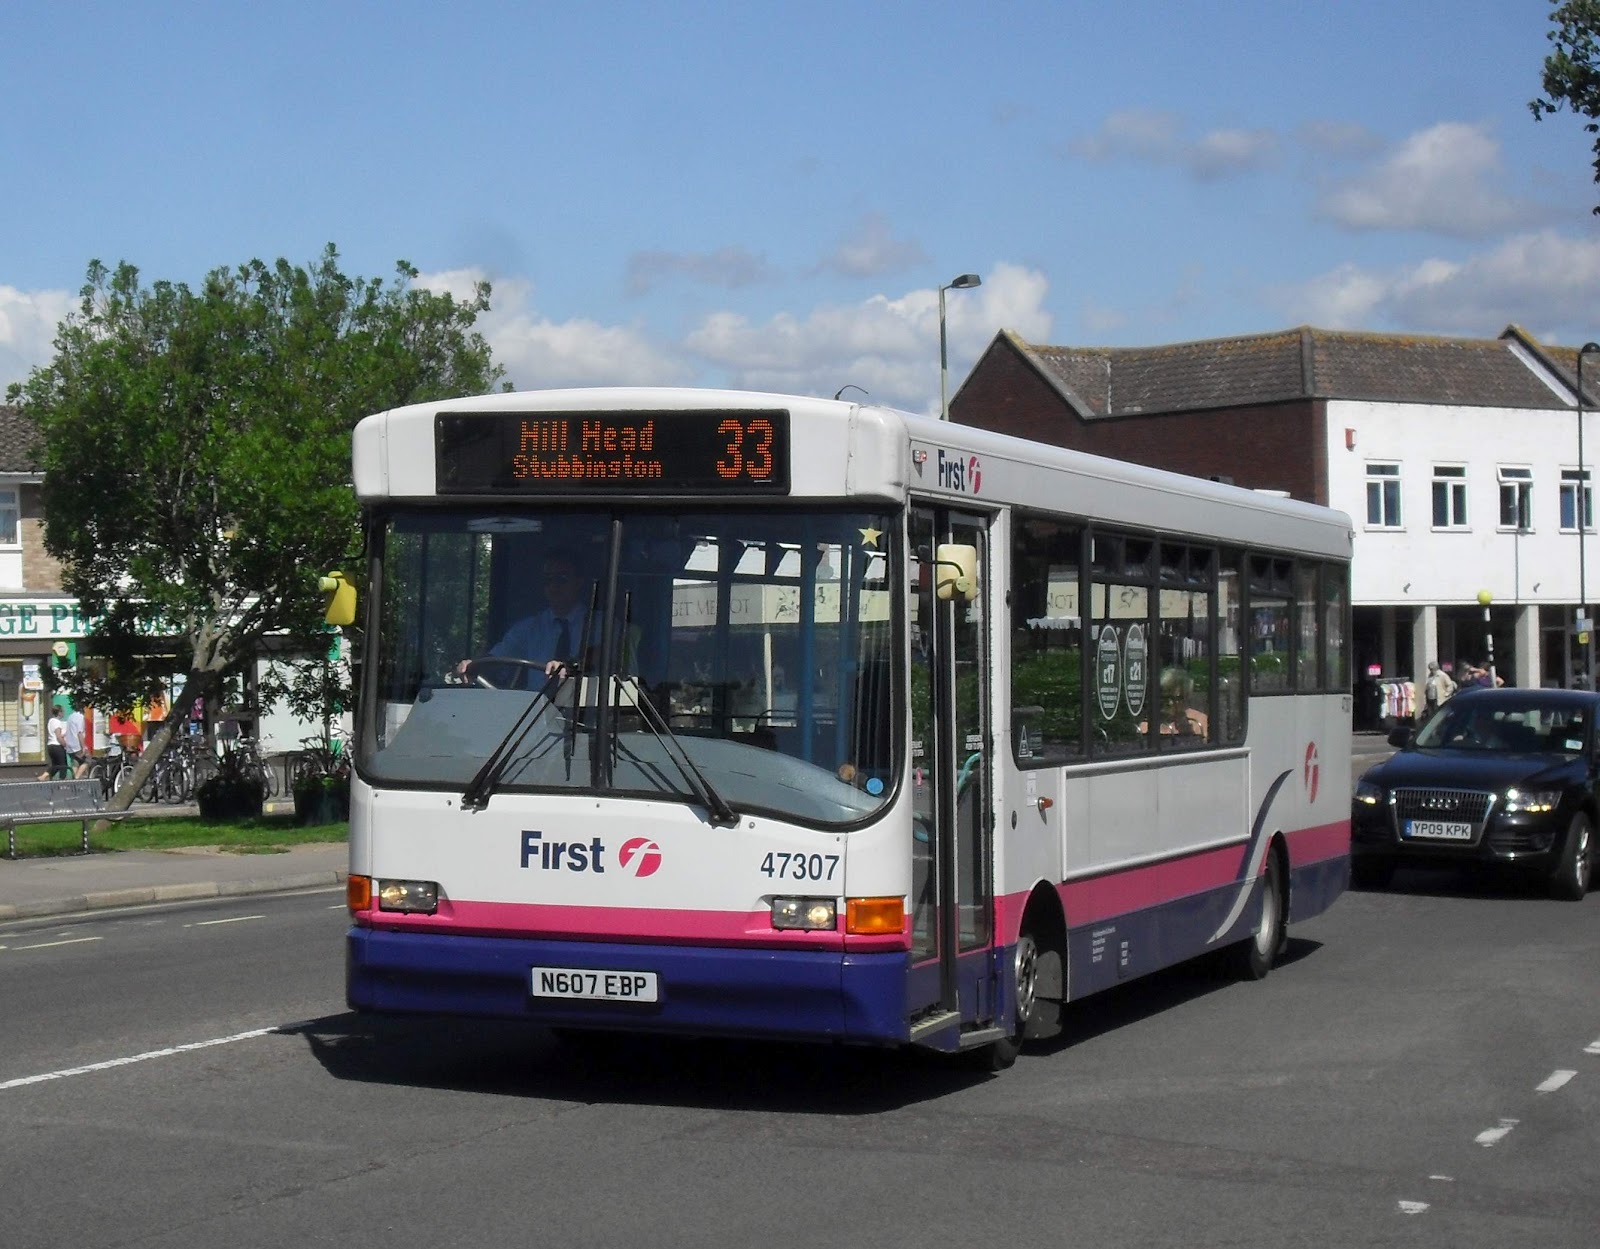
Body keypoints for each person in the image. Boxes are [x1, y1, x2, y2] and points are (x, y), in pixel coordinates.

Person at [457, 554, 593, 682]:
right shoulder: (529, 628)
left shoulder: (599, 626)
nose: (553, 586)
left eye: (561, 579)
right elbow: (497, 658)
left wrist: (568, 666)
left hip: (583, 706)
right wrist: (473, 665)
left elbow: (600, 657)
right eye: (548, 580)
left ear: (578, 582)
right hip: (534, 706)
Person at [39, 703, 69, 780]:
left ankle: (44, 776)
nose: (63, 713)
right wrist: (64, 744)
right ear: (59, 712)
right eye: (62, 712)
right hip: (57, 745)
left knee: (55, 765)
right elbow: (58, 736)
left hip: (50, 745)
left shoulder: (51, 721)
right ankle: (62, 782)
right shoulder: (57, 722)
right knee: (63, 765)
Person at [64, 704, 89, 778]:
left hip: (70, 744)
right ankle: (77, 777)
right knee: (88, 760)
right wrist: (83, 746)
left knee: (75, 762)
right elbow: (79, 732)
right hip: (77, 744)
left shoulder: (70, 716)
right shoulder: (80, 717)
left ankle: (74, 781)